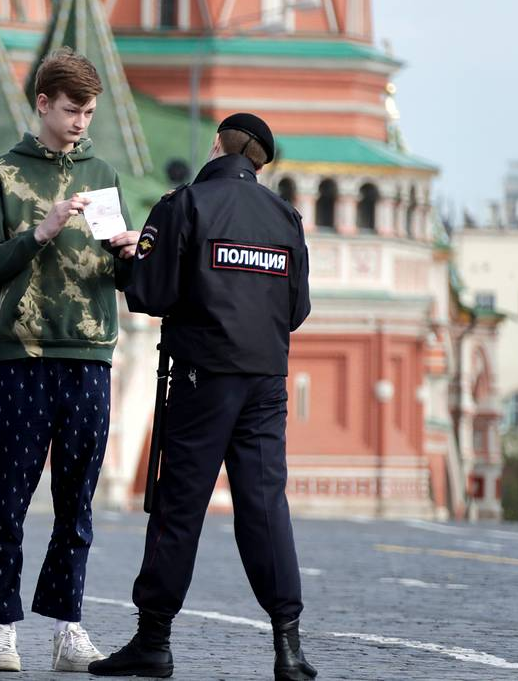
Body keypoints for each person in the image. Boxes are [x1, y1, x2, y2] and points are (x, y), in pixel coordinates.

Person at [89, 113, 316, 681]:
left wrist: (130, 260)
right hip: (265, 381)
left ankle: (154, 641)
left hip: (201, 377)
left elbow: (151, 292)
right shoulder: (286, 216)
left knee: (178, 506)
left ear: (218, 144)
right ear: (260, 161)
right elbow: (297, 310)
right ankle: (288, 646)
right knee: (265, 507)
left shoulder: (184, 203)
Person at [0, 48, 139, 673]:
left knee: (78, 500)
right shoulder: (5, 175)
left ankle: (69, 625)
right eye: (71, 110)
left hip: (90, 354)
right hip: (19, 354)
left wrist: (128, 254)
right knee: (7, 498)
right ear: (43, 104)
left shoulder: (104, 173)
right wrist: (36, 234)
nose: (81, 123)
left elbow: (121, 280)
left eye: (89, 112)